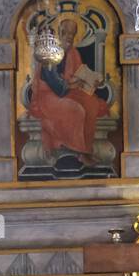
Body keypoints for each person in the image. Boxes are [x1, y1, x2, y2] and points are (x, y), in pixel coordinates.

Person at [29, 17, 111, 166]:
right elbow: (58, 88)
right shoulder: (49, 54)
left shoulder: (73, 53)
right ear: (60, 32)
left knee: (92, 104)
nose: (69, 37)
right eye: (66, 33)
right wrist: (74, 83)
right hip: (47, 96)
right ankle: (81, 152)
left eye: (72, 35)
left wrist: (92, 80)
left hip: (68, 91)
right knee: (76, 109)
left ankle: (87, 150)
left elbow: (78, 74)